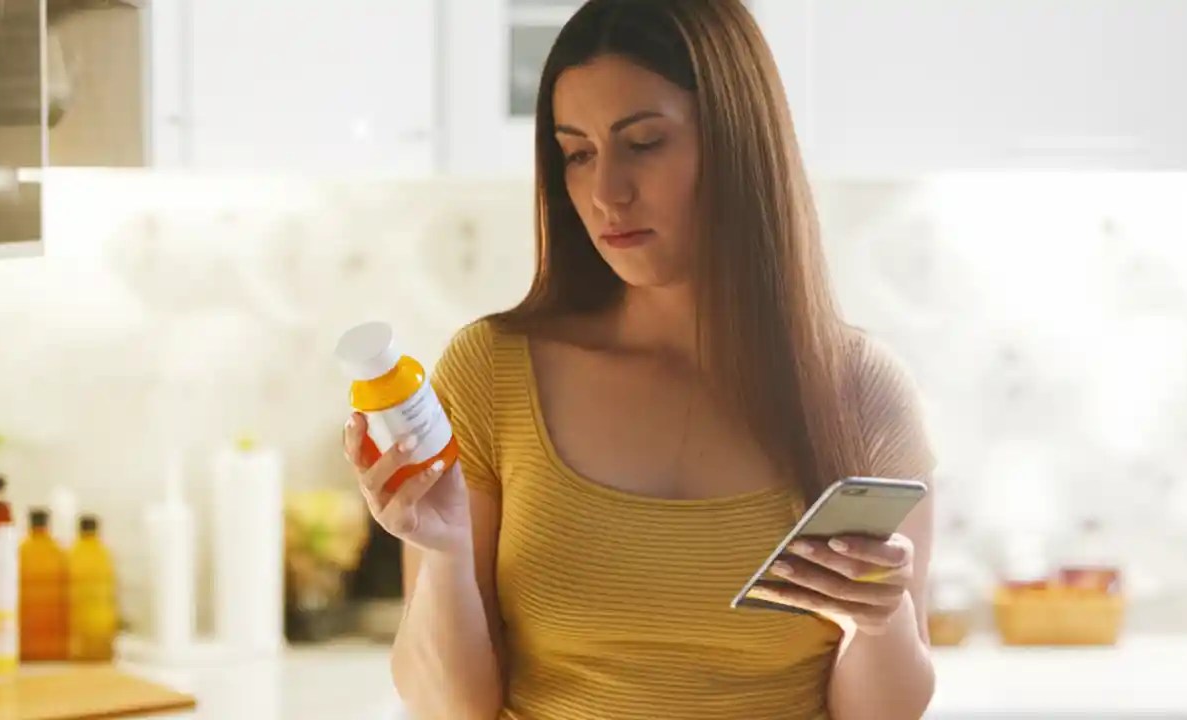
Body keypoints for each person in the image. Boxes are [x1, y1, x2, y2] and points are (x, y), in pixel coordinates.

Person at [343, 1, 937, 718]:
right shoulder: (492, 371)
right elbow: (452, 709)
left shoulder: (861, 393)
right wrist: (442, 550)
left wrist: (880, 620)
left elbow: (887, 714)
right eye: (577, 153)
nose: (605, 193)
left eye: (645, 142)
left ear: (738, 141)